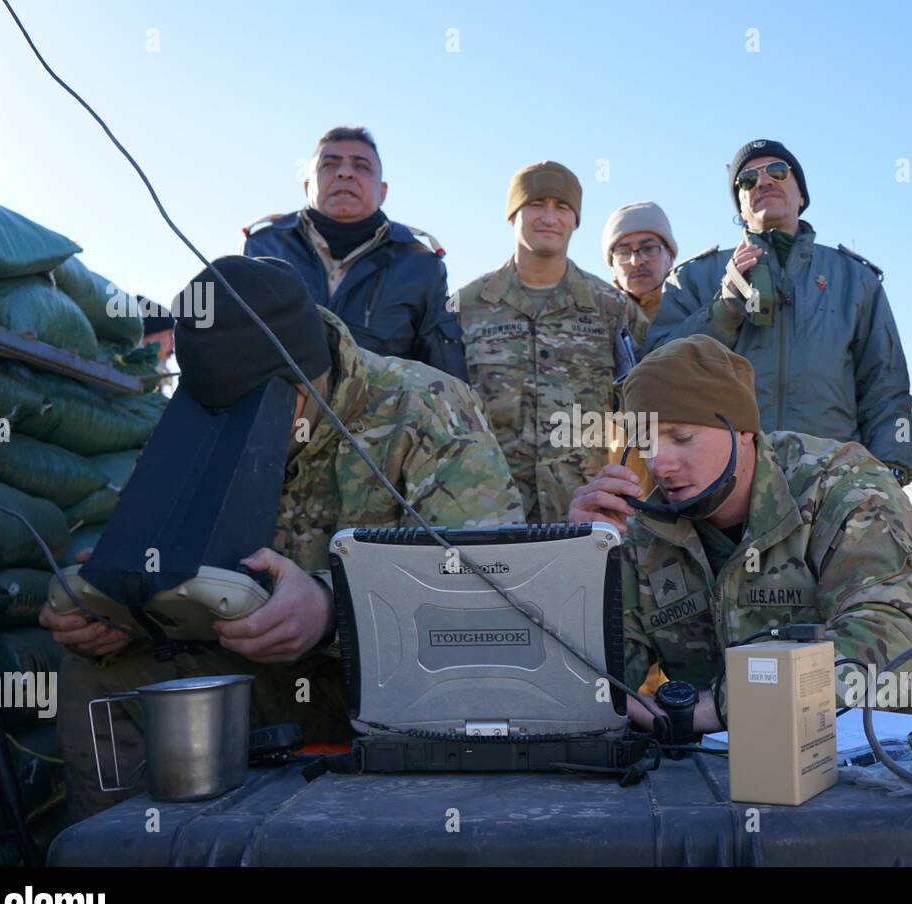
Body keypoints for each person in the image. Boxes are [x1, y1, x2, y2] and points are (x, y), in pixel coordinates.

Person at [43, 256, 524, 821]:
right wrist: (122, 610)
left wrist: (330, 611)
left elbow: (491, 599)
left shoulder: (428, 410)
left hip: (394, 688)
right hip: (261, 675)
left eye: (254, 413)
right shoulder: (203, 413)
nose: (235, 432)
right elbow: (181, 571)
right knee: (99, 682)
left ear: (304, 383)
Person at [568, 335, 912, 729]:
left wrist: (724, 706)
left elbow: (901, 645)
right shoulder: (647, 529)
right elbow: (597, 676)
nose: (660, 464)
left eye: (682, 437)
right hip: (723, 767)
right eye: (645, 442)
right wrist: (583, 564)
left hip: (899, 756)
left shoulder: (842, 485)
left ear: (744, 430)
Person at [646, 139, 912, 484]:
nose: (763, 182)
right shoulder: (695, 278)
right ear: (740, 206)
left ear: (801, 195)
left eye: (777, 171)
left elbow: (885, 386)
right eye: (747, 179)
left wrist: (891, 467)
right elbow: (656, 376)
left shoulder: (855, 279)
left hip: (833, 481)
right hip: (727, 483)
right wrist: (722, 311)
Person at [457, 161, 648, 523]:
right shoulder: (466, 306)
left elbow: (640, 412)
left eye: (561, 207)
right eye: (535, 204)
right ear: (513, 214)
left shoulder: (612, 309)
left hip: (585, 511)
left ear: (575, 220)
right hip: (489, 511)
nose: (548, 216)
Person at [242, 126, 466, 379]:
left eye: (361, 166)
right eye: (329, 164)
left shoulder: (421, 264)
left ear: (382, 192)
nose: (345, 173)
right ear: (307, 186)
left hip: (375, 415)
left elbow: (447, 377)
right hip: (273, 411)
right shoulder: (261, 247)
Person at [602, 201, 678, 320]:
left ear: (670, 256)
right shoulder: (590, 316)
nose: (636, 261)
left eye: (648, 249)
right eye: (624, 253)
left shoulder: (699, 310)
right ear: (612, 264)